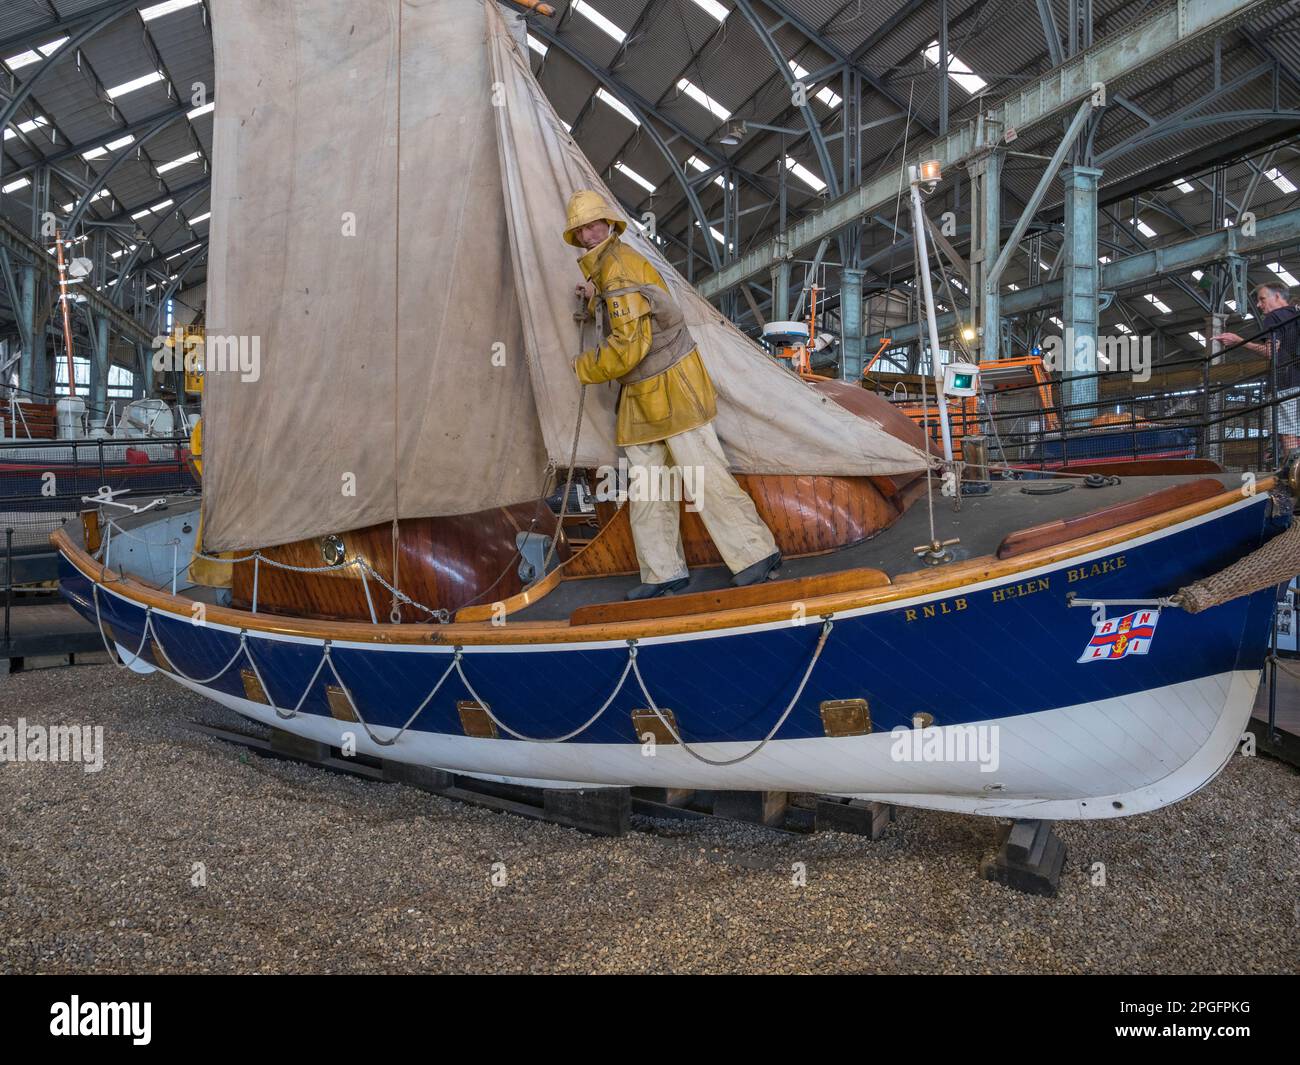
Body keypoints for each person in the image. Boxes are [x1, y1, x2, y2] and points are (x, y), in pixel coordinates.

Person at [563, 189, 780, 600]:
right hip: (643, 392)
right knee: (647, 488)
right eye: (581, 228)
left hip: (671, 385)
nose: (589, 232)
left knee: (705, 477)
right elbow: (627, 310)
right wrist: (594, 302)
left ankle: (756, 553)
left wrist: (583, 368)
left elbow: (629, 346)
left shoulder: (619, 268)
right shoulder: (609, 269)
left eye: (594, 224)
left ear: (609, 225)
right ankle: (662, 572)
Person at [1212, 282, 1300, 453]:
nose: (1259, 305)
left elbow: (1270, 351)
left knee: (1288, 433)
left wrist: (1239, 341)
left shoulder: (1274, 317)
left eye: (1262, 299)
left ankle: (1293, 474)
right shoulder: (1296, 314)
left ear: (1276, 296)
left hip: (1285, 383)